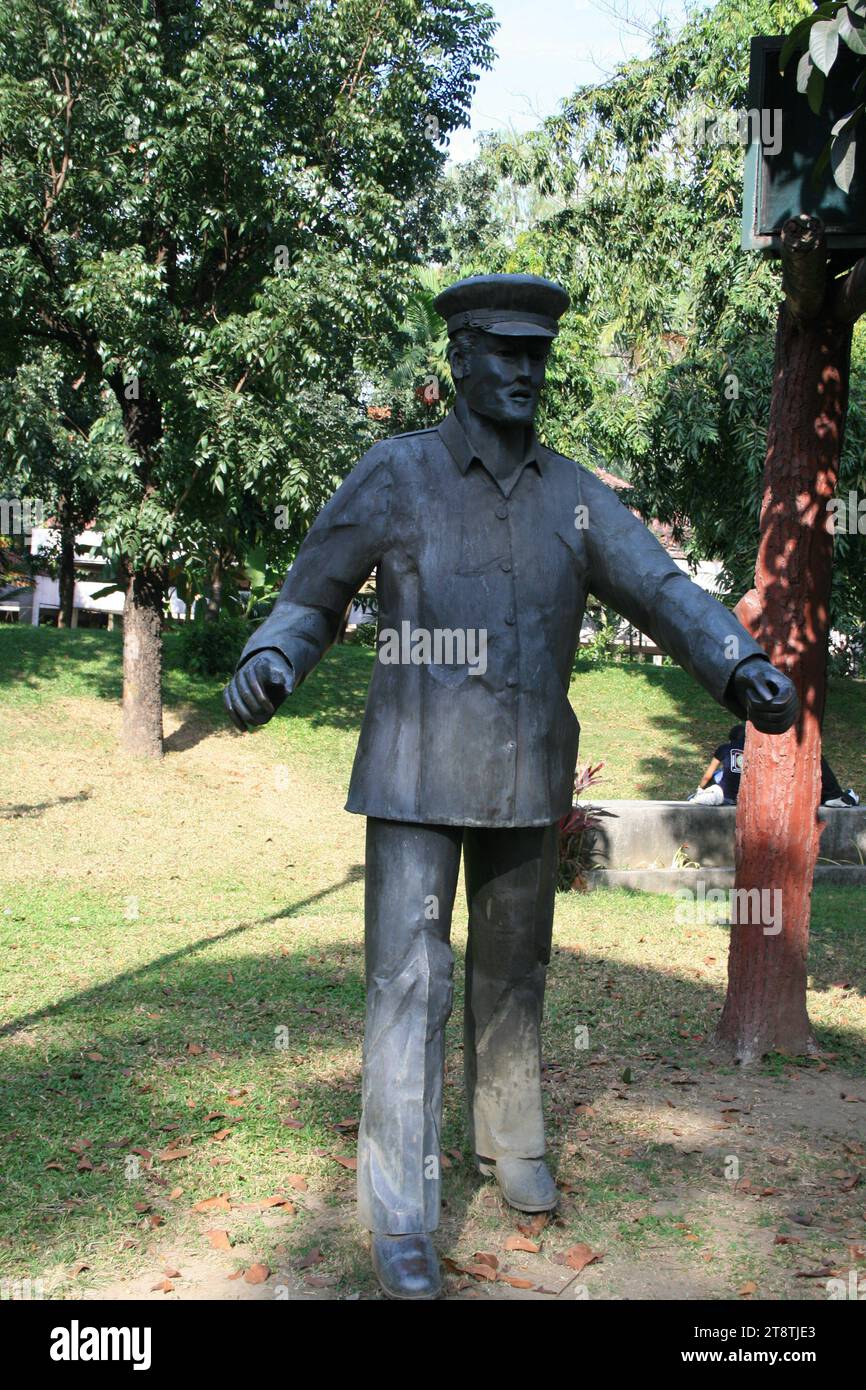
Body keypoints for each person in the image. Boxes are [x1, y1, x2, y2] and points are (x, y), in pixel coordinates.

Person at [223, 273, 798, 1299]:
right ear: (458, 361)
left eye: (537, 355)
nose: (526, 371)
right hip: (409, 775)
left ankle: (510, 1130)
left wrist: (735, 662)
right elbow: (309, 594)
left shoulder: (574, 496)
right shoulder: (394, 476)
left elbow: (661, 588)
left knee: (512, 970)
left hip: (527, 768)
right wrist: (273, 659)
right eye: (505, 353)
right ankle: (400, 1211)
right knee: (409, 983)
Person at [689, 725, 859, 806]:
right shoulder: (756, 750)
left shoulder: (726, 748)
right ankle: (835, 795)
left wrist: (699, 788)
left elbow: (708, 775)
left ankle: (711, 794)